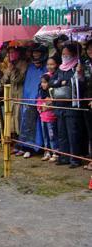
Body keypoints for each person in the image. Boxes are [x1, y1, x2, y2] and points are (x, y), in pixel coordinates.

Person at [50, 42, 83, 168]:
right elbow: (52, 82)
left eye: (67, 54)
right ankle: (64, 156)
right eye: (63, 54)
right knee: (62, 132)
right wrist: (61, 82)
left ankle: (75, 158)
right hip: (59, 104)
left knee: (72, 133)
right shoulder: (60, 68)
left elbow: (75, 83)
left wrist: (65, 81)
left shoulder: (77, 66)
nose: (64, 56)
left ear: (73, 54)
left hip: (72, 105)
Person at [37, 74, 58, 162]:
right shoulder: (40, 92)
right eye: (42, 82)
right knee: (45, 136)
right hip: (43, 118)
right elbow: (38, 104)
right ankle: (47, 152)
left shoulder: (52, 93)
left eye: (45, 82)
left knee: (52, 136)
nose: (43, 84)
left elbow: (53, 104)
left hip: (51, 118)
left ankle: (55, 153)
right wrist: (41, 107)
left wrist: (46, 106)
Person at [82, 40, 92, 170]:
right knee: (90, 132)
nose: (90, 51)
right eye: (89, 49)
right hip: (86, 100)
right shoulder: (85, 63)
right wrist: (79, 74)